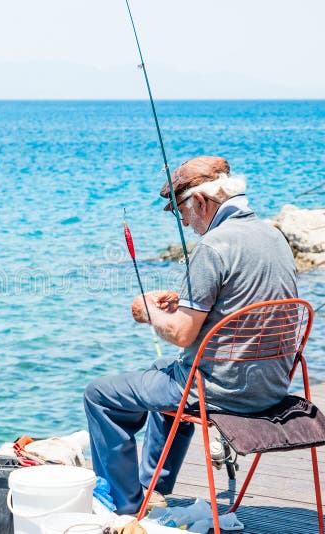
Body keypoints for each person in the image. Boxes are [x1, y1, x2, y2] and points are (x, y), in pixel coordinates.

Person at [83, 155, 298, 515]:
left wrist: (148, 311)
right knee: (161, 369)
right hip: (271, 384)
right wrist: (184, 303)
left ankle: (124, 502)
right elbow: (247, 306)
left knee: (100, 395)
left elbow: (183, 335)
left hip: (221, 391)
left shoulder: (214, 246)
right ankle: (153, 486)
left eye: (181, 211)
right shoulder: (273, 236)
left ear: (200, 201)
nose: (183, 222)